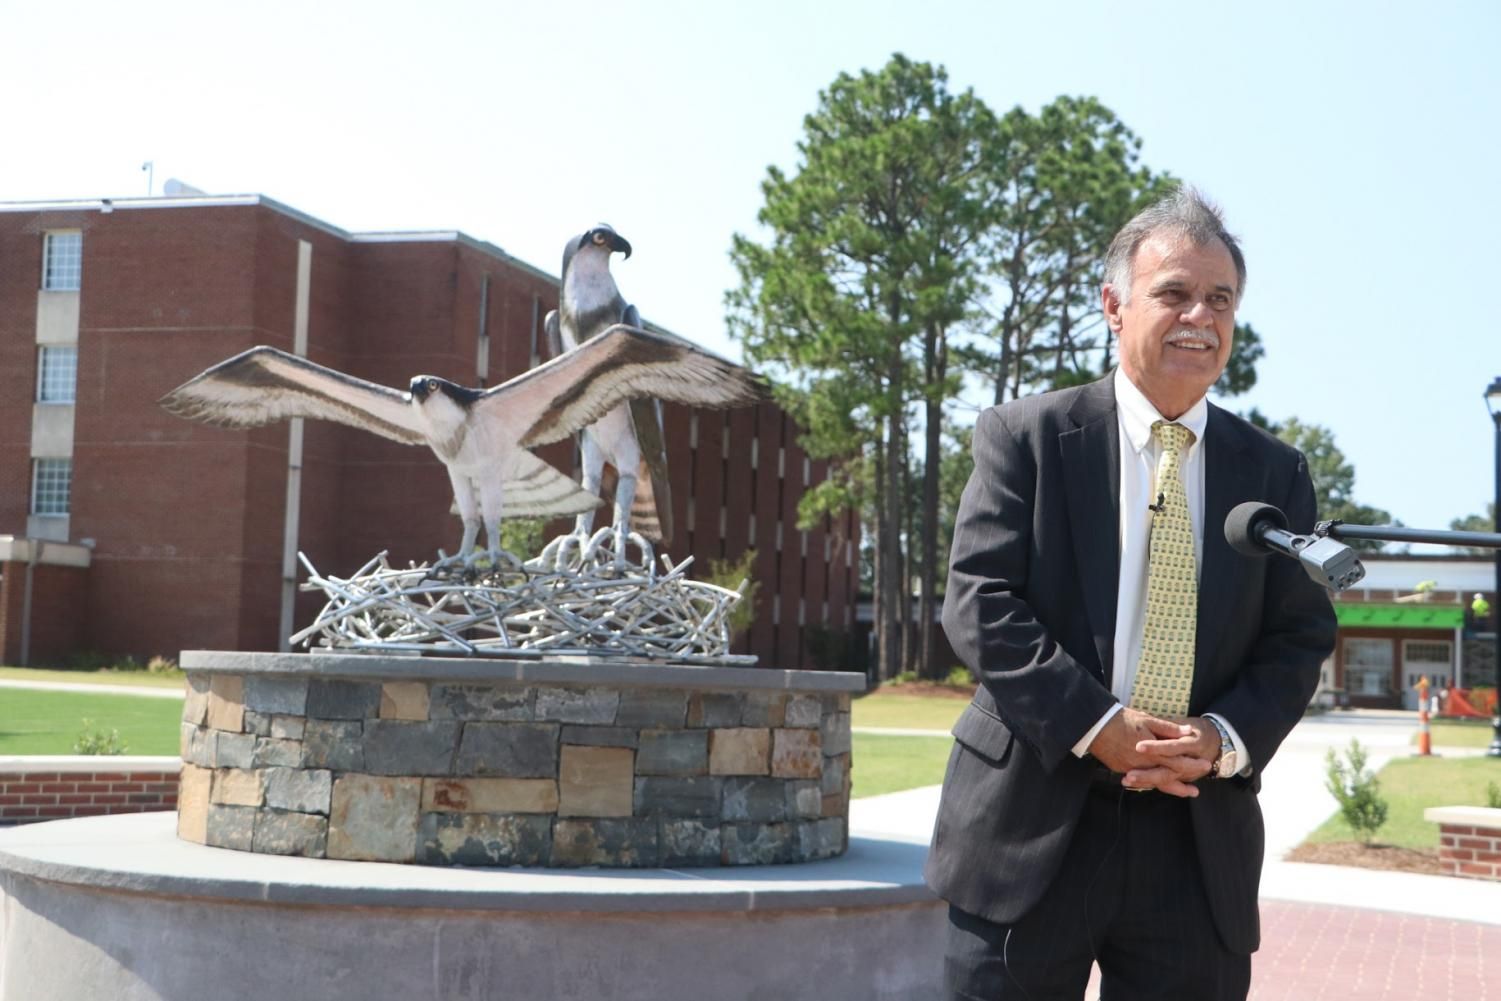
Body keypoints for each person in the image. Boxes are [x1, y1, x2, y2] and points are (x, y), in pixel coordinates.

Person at [927, 188, 1337, 1000]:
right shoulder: (1026, 438)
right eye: (1173, 292)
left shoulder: (1274, 472)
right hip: (1029, 824)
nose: (1199, 315)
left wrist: (1221, 736)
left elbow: (1297, 637)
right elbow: (978, 600)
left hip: (1195, 842)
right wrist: (1097, 724)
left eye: (1219, 299)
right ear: (1114, 306)